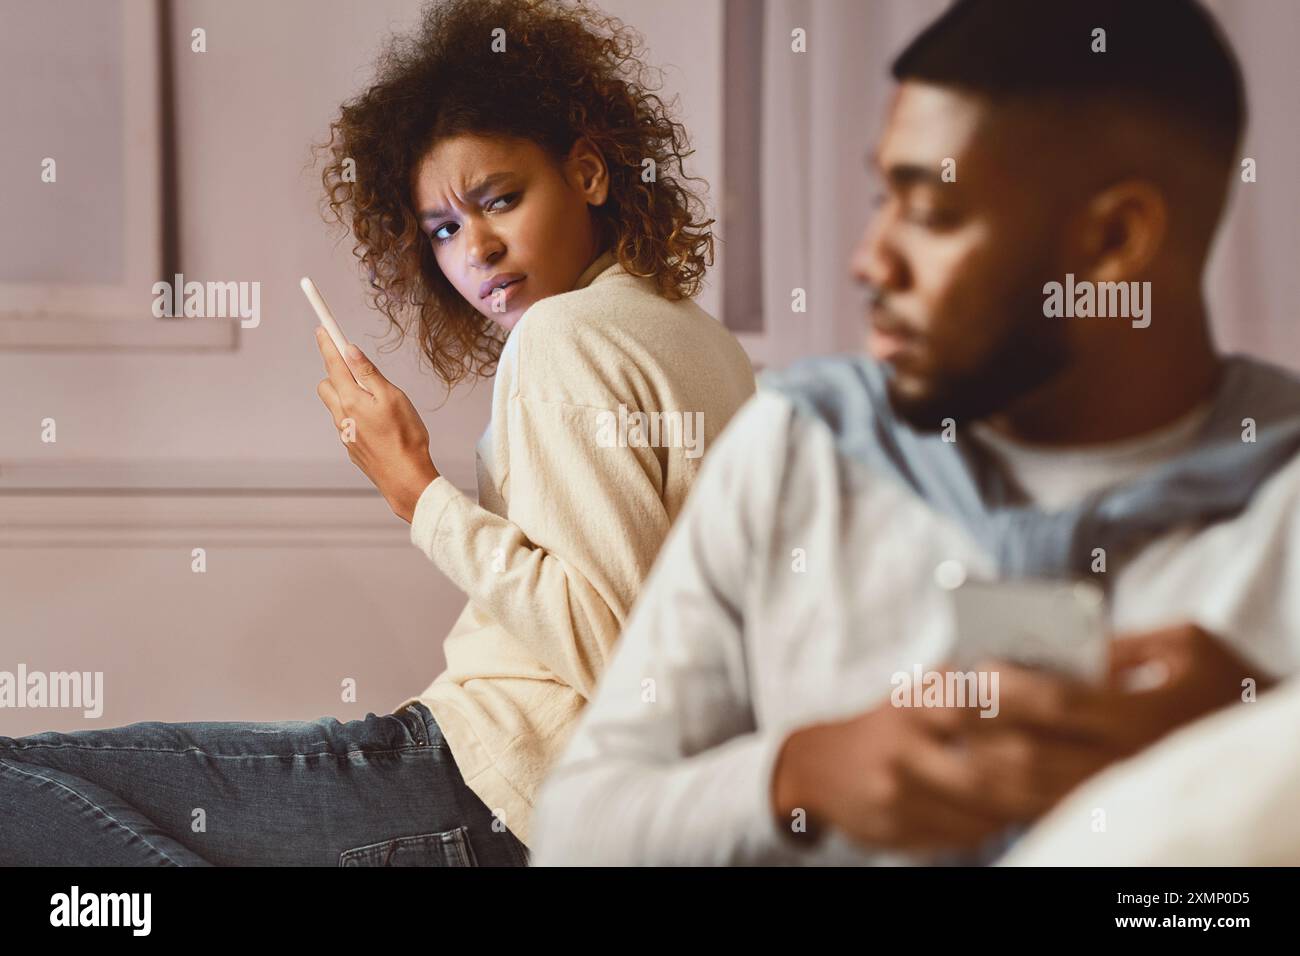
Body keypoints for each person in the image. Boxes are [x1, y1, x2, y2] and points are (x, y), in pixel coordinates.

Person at [530, 0, 1300, 866]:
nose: (870, 260)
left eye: (932, 213)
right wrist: (795, 779)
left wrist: (1254, 766)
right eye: (880, 197)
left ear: (1114, 241)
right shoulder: (793, 454)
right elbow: (576, 835)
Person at [0, 0, 753, 866]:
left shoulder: (563, 337)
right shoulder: (700, 341)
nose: (477, 248)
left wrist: (419, 494)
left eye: (500, 199)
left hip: (493, 787)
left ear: (588, 172)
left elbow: (615, 653)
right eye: (443, 229)